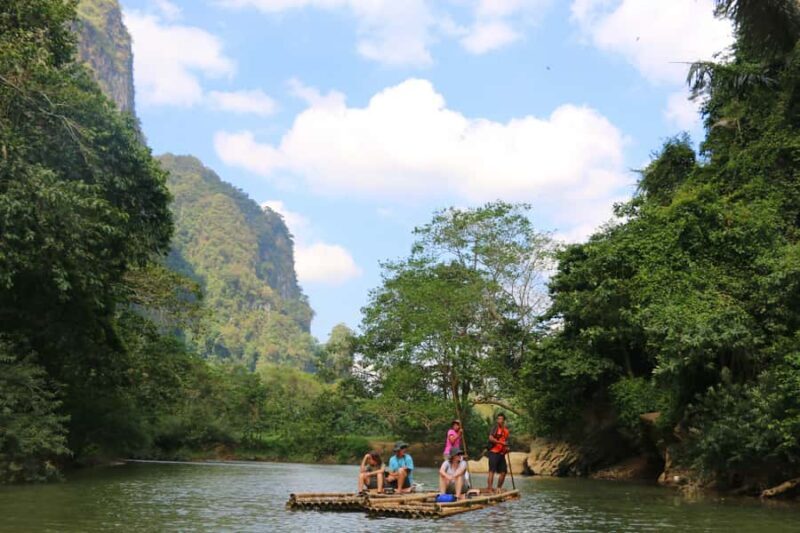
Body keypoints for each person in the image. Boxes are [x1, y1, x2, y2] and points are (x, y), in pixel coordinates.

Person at [486, 413, 510, 493]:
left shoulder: (506, 431)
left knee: (503, 472)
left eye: (501, 419)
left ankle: (498, 488)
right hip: (493, 452)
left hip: (501, 453)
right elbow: (490, 438)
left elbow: (506, 442)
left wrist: (506, 448)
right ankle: (489, 488)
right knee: (491, 471)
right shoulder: (495, 428)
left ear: (504, 420)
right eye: (498, 419)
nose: (499, 420)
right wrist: (501, 443)